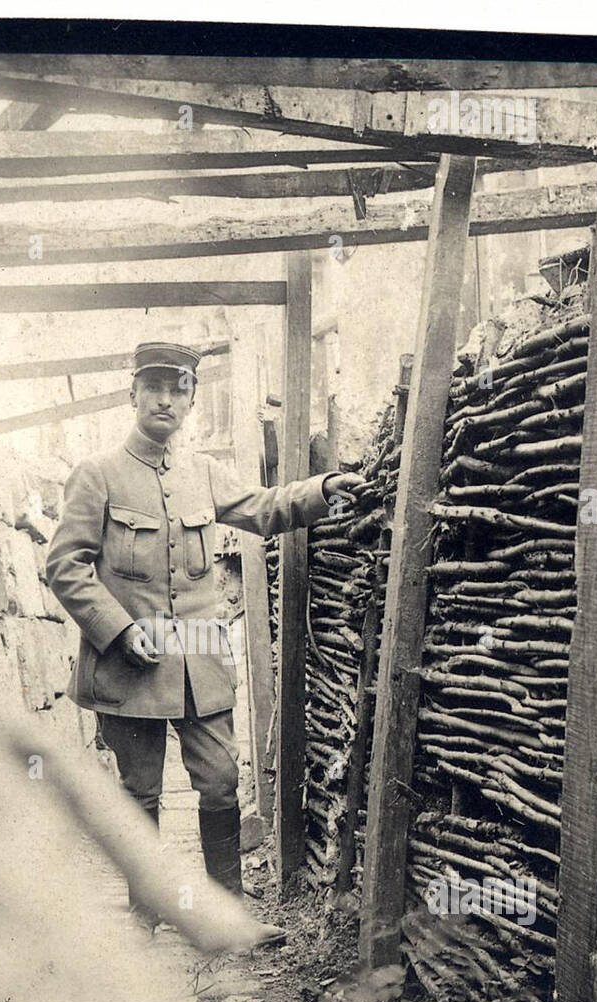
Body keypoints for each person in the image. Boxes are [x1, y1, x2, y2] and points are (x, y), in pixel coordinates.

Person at [45, 340, 364, 930]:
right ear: (132, 395)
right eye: (154, 388)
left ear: (191, 400)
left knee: (220, 784)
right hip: (127, 664)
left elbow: (266, 508)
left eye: (179, 389)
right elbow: (64, 565)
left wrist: (322, 490)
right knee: (139, 790)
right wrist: (116, 630)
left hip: (199, 662)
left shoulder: (204, 473)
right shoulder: (96, 475)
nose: (165, 400)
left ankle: (229, 916)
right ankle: (146, 911)